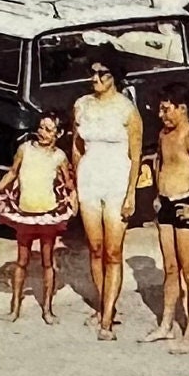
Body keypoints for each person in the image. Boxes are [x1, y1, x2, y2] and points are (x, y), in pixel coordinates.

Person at [69, 58, 141, 341]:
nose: (96, 78)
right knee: (95, 248)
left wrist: (131, 193)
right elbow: (76, 147)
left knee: (113, 251)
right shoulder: (81, 105)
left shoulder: (127, 110)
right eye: (94, 73)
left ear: (115, 77)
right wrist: (74, 185)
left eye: (103, 73)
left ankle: (108, 318)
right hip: (89, 180)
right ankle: (102, 306)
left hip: (116, 182)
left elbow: (136, 156)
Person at [143, 83, 189, 354]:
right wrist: (158, 194)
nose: (162, 115)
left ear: (181, 108)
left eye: (166, 109)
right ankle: (166, 324)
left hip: (187, 203)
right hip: (167, 205)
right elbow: (159, 161)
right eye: (160, 110)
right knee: (170, 268)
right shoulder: (164, 134)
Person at [0, 112, 76, 323]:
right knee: (21, 261)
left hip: (47, 215)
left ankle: (47, 310)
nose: (42, 133)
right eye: (41, 128)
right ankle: (14, 309)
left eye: (49, 129)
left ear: (59, 133)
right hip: (25, 215)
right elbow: (13, 172)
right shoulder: (25, 149)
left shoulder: (59, 157)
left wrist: (74, 197)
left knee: (48, 262)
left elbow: (68, 183)